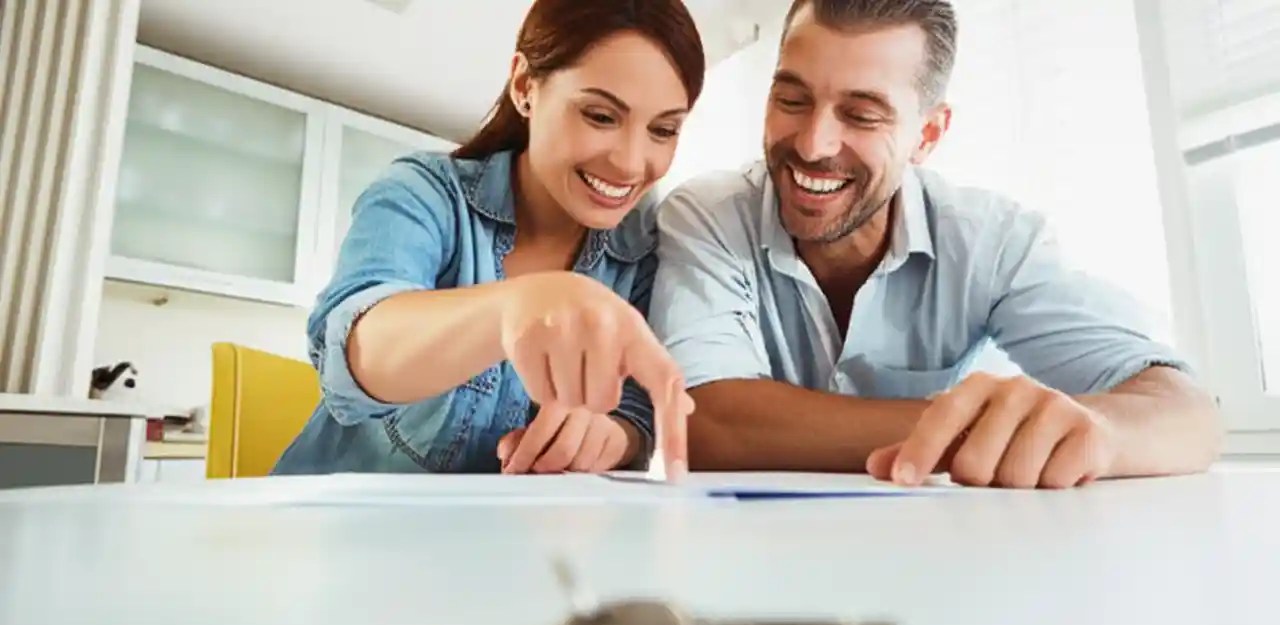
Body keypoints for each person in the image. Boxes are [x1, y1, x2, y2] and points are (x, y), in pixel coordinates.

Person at [650, 0, 1222, 489]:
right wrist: (973, 428)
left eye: (861, 114)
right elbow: (709, 424)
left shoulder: (992, 242)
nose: (814, 142)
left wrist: (1095, 434)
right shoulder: (708, 216)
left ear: (926, 135)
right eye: (792, 100)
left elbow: (1187, 413)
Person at [274, 0, 705, 479]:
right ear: (525, 87)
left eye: (663, 130)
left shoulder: (640, 255)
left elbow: (633, 415)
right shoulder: (424, 193)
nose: (630, 162)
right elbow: (356, 350)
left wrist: (611, 437)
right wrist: (514, 307)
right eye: (600, 116)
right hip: (334, 535)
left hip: (498, 548)